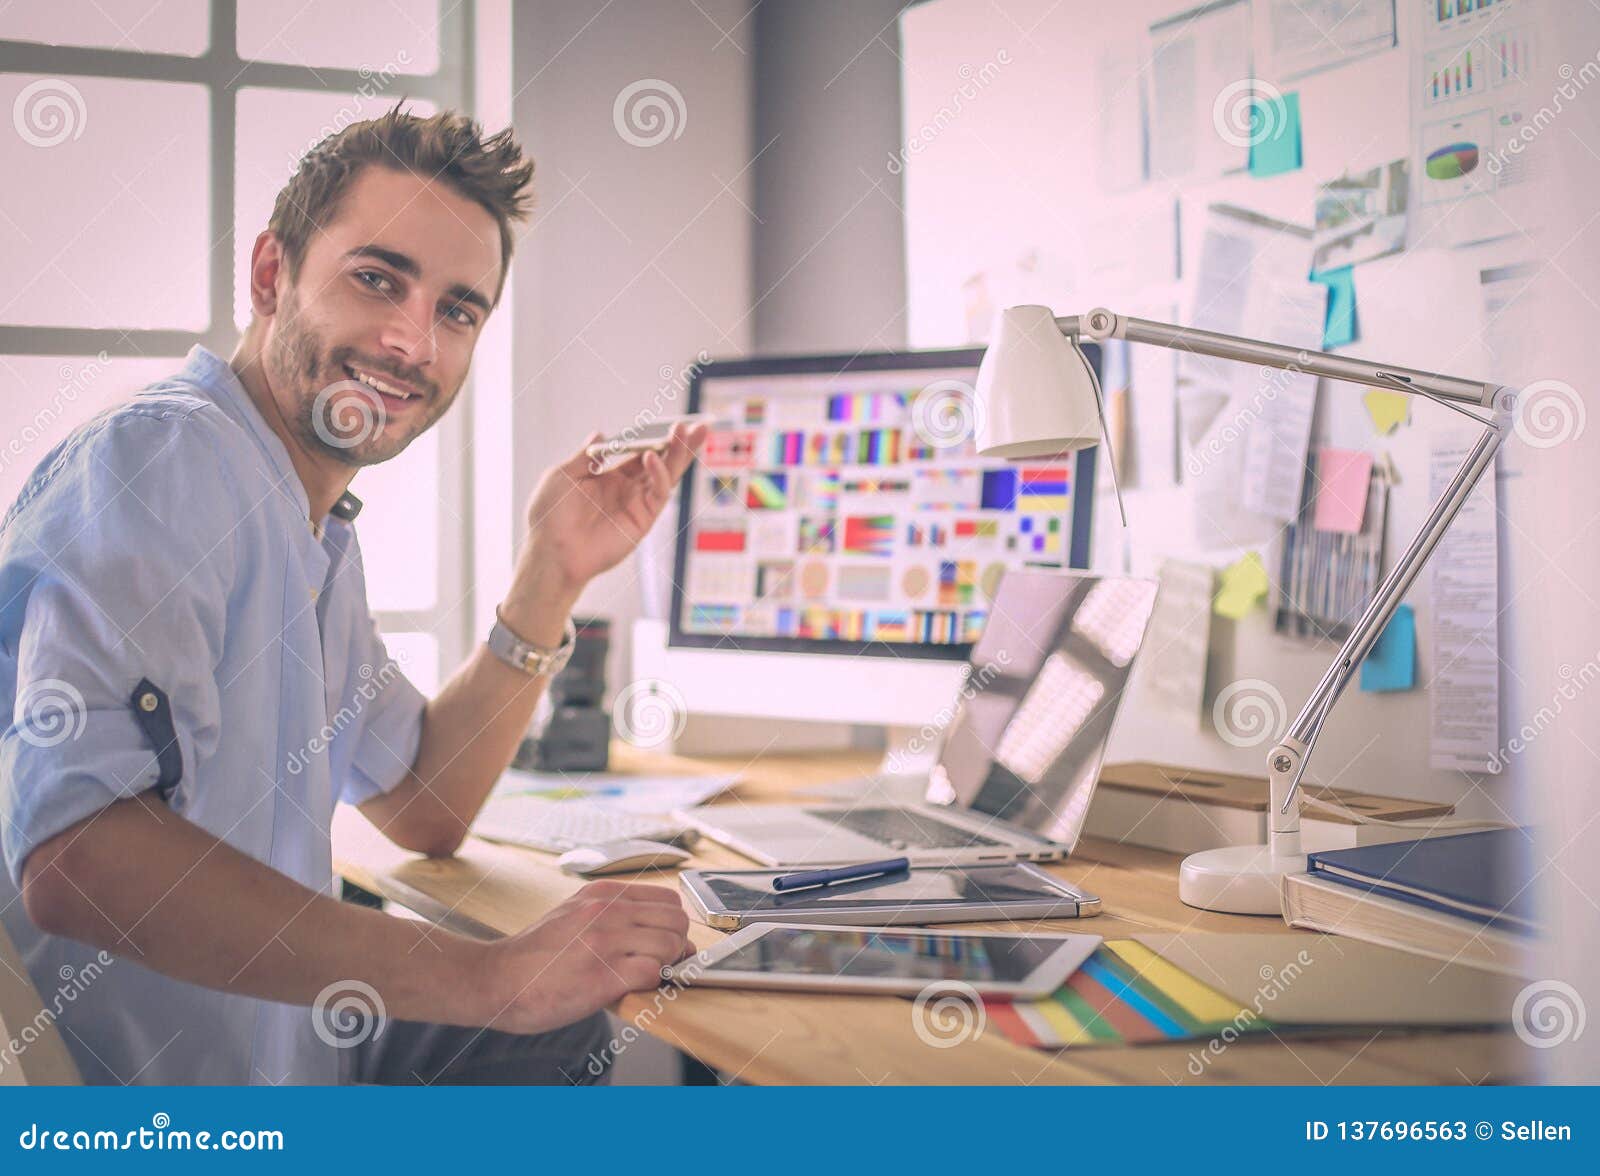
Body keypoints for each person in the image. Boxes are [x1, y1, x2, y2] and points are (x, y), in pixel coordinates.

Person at [0, 106, 707, 1085]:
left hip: (299, 1052)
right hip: (180, 1109)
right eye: (378, 279)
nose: (412, 341)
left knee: (562, 1032)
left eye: (456, 311)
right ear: (269, 275)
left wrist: (552, 571)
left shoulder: (309, 527)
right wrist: (489, 976)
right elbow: (78, 861)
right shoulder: (166, 463)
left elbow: (422, 804)